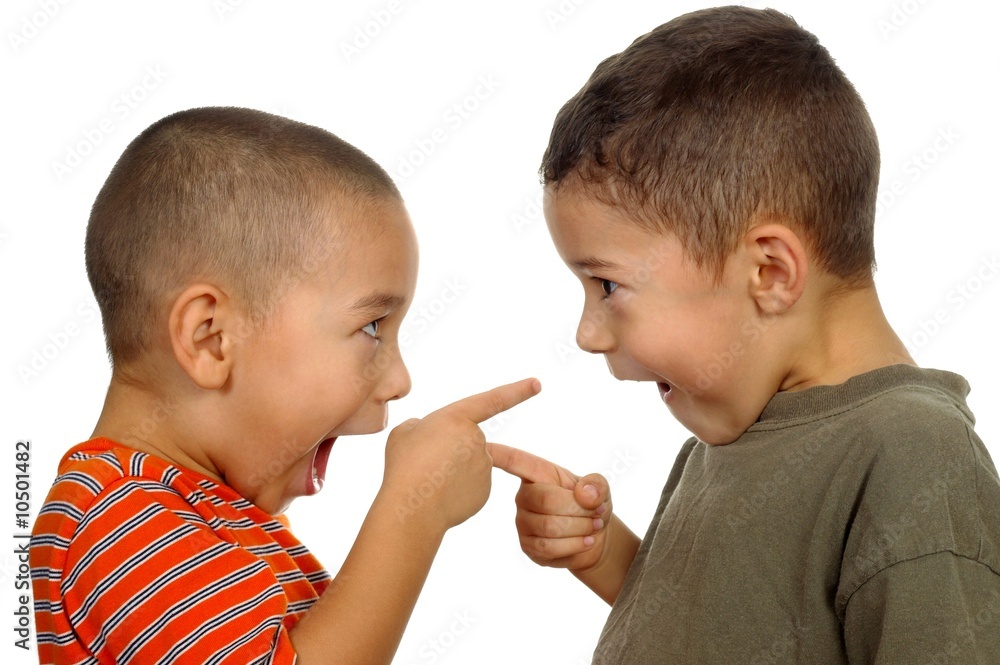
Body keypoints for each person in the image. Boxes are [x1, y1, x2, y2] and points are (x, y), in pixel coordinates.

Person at [489, 6, 1000, 663]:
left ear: (769, 271)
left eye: (608, 286)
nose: (588, 333)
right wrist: (604, 552)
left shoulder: (912, 455)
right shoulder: (729, 434)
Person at [29, 106, 539, 665]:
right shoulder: (119, 523)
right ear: (211, 338)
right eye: (371, 327)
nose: (399, 380)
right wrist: (412, 514)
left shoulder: (215, 521)